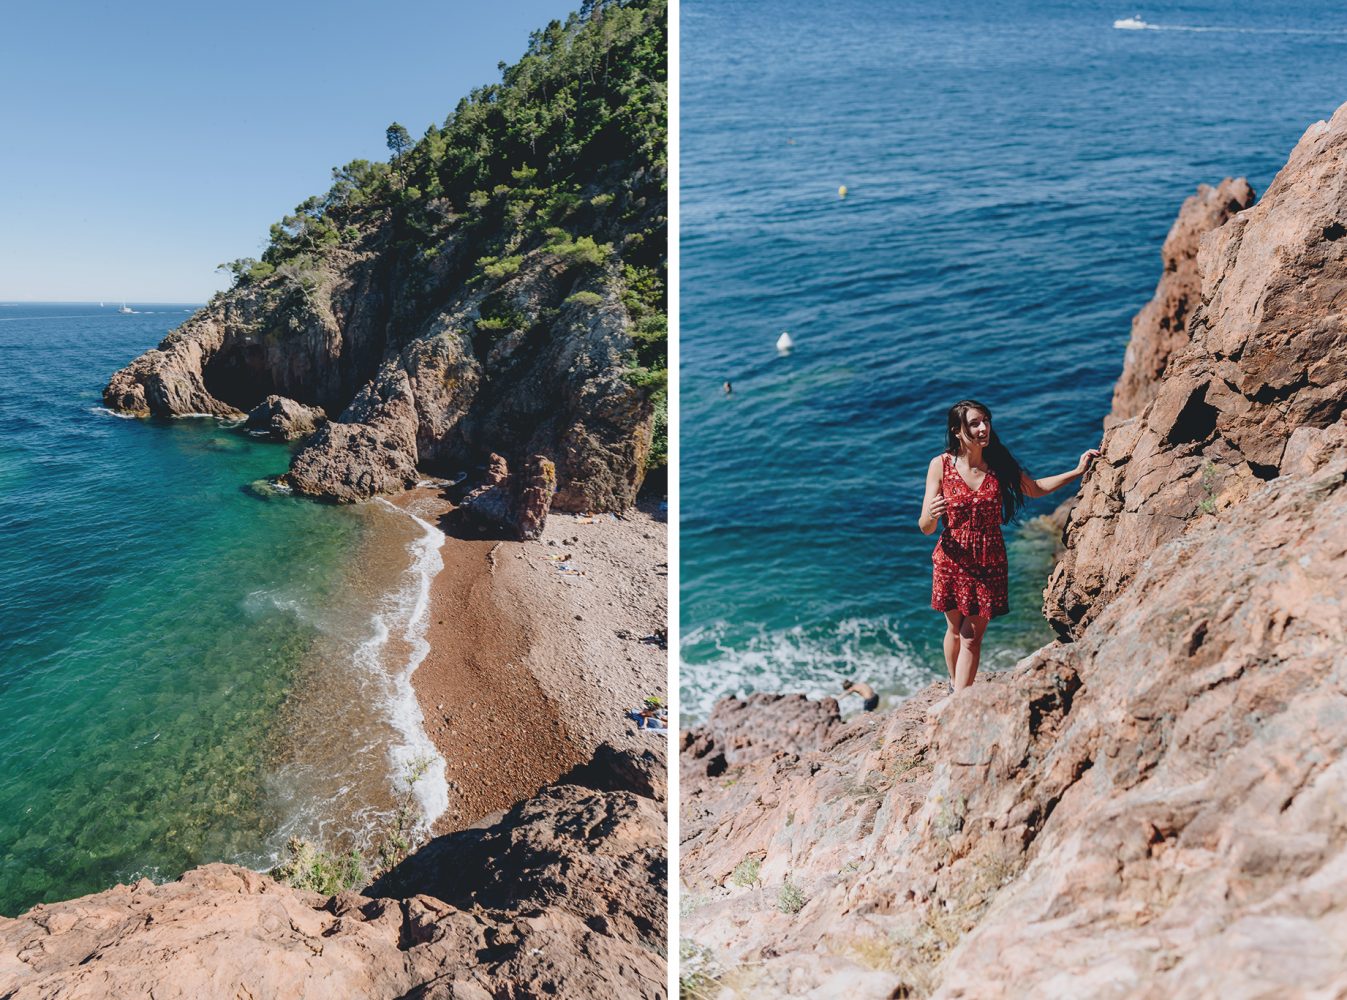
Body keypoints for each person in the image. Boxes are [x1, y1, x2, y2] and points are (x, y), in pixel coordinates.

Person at [918, 400, 1099, 693]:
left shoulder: (999, 464)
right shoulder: (939, 466)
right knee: (953, 630)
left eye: (986, 421)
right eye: (975, 423)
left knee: (970, 636)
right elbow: (925, 527)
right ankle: (954, 686)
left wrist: (1076, 472)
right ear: (957, 430)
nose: (983, 428)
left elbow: (1034, 488)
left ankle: (958, 702)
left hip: (989, 560)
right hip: (952, 559)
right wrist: (931, 514)